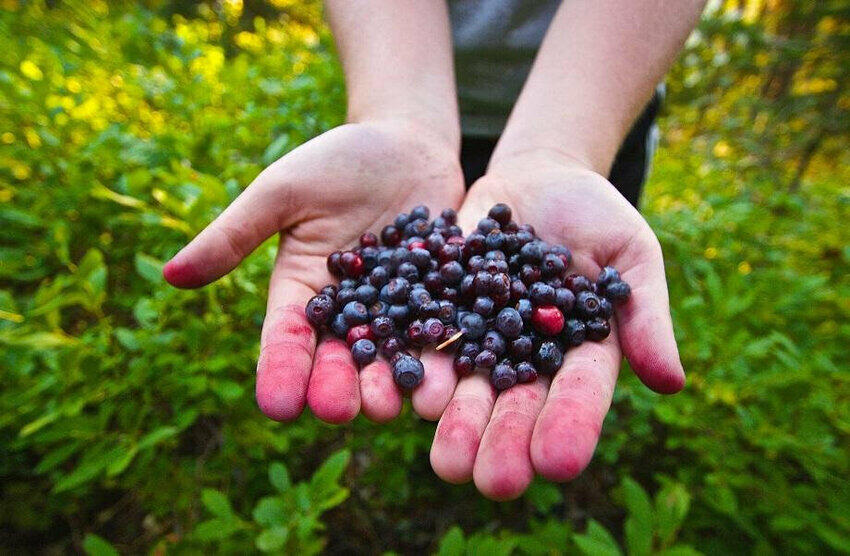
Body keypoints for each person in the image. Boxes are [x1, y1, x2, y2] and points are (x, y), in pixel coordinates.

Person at [162, 0, 706, 501]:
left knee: (493, 395)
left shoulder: (525, 285)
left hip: (595, 113)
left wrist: (561, 147)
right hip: (403, 96)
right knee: (436, 394)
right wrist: (400, 118)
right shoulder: (413, 283)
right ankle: (421, 471)